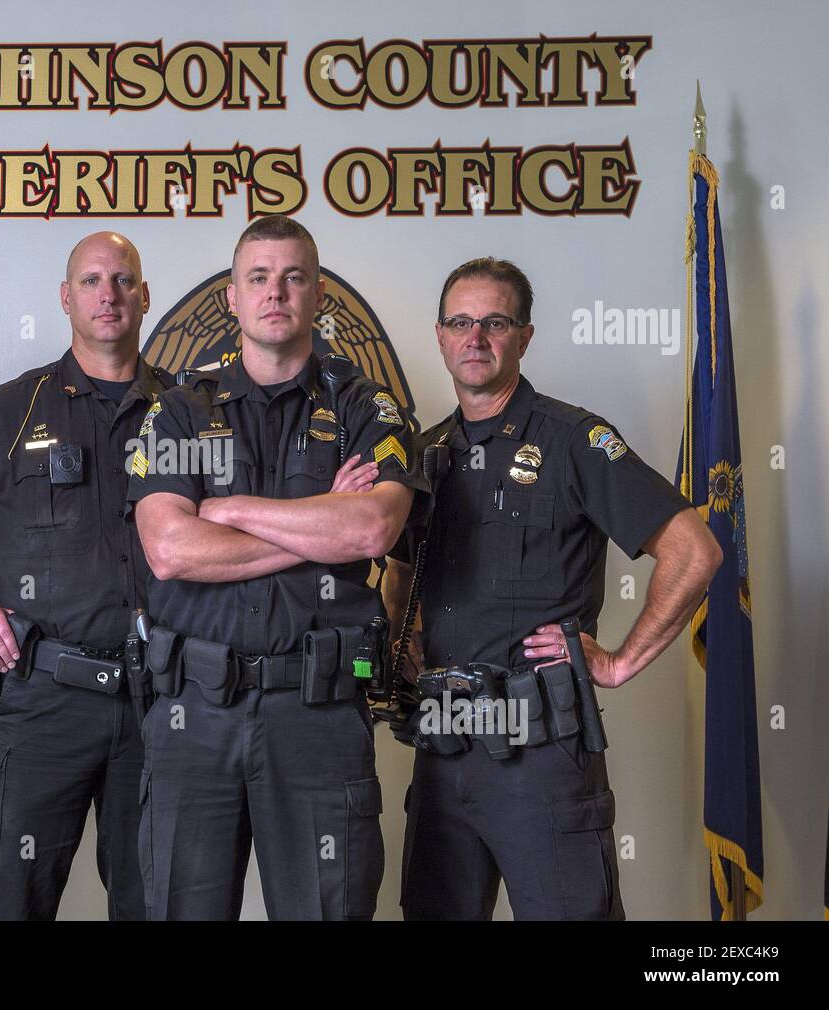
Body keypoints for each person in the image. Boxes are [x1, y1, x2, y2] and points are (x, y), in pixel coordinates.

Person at [395, 256, 722, 920]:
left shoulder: (572, 440)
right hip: (441, 747)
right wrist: (404, 634)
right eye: (461, 322)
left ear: (525, 335)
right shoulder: (424, 455)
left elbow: (696, 549)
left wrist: (623, 658)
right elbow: (401, 565)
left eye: (495, 322)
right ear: (439, 335)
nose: (475, 338)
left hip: (539, 756)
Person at [128, 215, 424, 920]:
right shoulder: (178, 414)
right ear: (231, 296)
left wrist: (229, 511)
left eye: (294, 277)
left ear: (318, 293)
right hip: (192, 715)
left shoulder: (365, 408)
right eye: (258, 277)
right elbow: (171, 550)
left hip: (316, 714)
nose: (276, 292)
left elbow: (376, 524)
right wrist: (323, 526)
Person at [0, 232, 171, 921]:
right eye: (92, 280)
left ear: (144, 296)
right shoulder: (11, 408)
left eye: (122, 280)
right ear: (66, 297)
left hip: (164, 702)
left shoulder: (187, 410)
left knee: (158, 902)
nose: (108, 294)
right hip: (46, 700)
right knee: (15, 902)